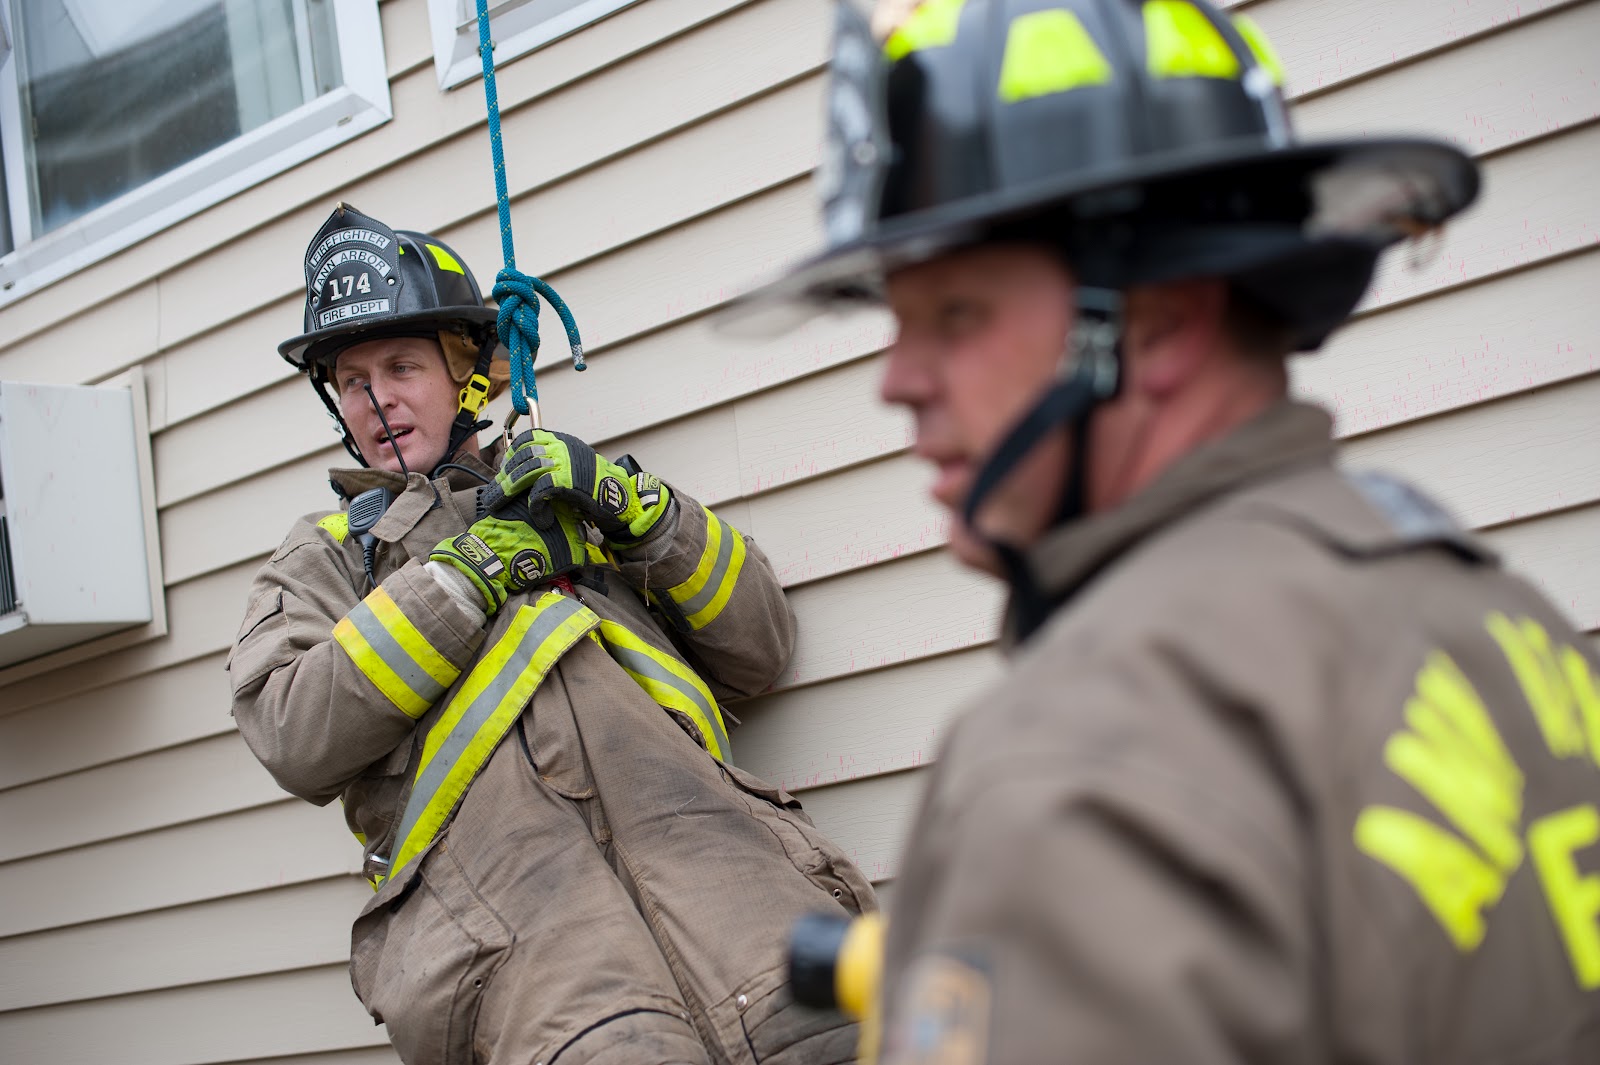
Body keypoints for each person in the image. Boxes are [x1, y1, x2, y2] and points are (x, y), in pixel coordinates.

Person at [736, 0, 1600, 1060]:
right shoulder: (1501, 618)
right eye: (895, 321)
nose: (897, 382)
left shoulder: (1092, 746)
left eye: (955, 314)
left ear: (1159, 322)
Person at [229, 203, 876, 1065]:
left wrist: (639, 510)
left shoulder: (568, 489)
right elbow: (290, 731)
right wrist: (464, 578)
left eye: (402, 366)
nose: (377, 398)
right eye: (352, 380)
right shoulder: (326, 557)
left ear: (466, 372)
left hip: (730, 876)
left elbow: (759, 646)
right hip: (524, 945)